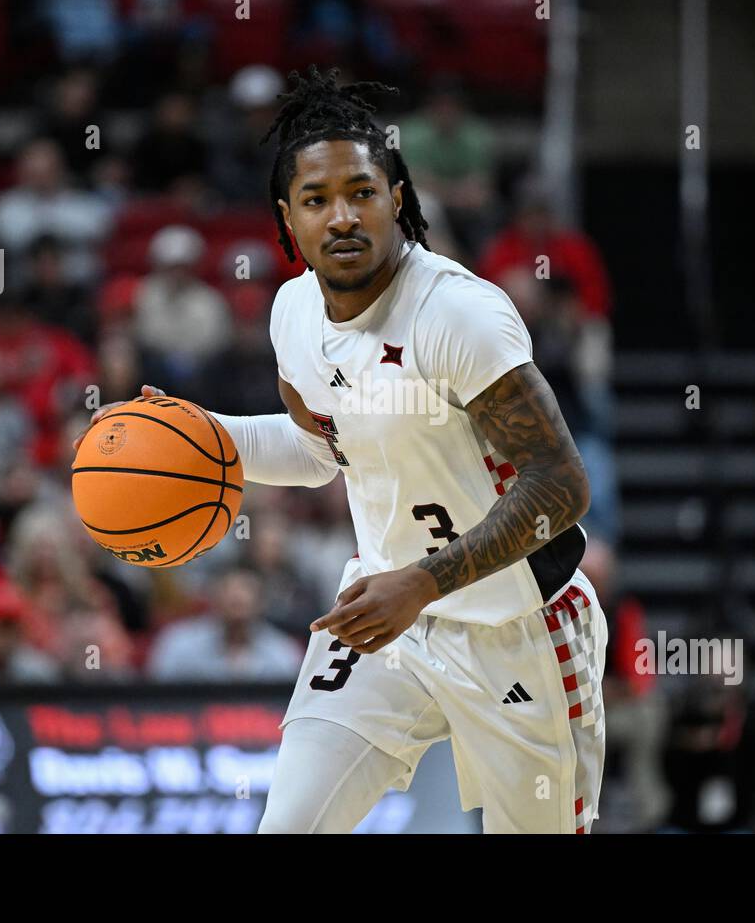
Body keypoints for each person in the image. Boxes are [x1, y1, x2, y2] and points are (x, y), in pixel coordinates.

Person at [76, 66, 605, 834]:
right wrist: (206, 435)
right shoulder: (293, 312)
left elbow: (562, 484)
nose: (343, 216)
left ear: (396, 199)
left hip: (516, 627)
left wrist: (421, 583)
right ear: (287, 218)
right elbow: (325, 450)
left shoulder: (458, 315)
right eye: (317, 200)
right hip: (387, 620)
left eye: (361, 192)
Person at [146, 568, 302, 683]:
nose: (237, 597)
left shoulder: (282, 652)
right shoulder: (177, 643)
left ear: (261, 603)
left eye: (244, 598)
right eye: (231, 598)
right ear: (213, 599)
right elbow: (155, 699)